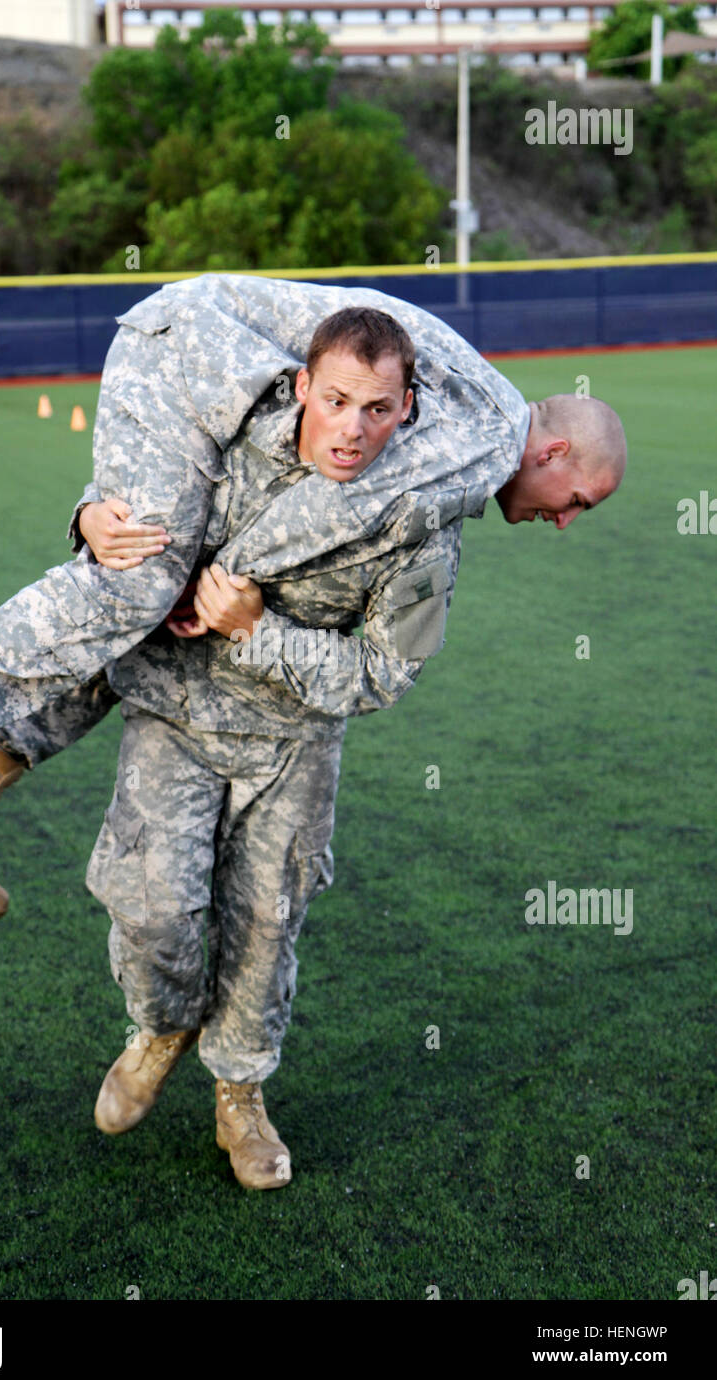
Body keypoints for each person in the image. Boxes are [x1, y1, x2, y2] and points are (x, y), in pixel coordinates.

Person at [0, 276, 626, 925]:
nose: (565, 520)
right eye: (578, 500)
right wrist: (211, 586)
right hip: (179, 365)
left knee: (155, 596)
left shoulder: (477, 407)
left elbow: (326, 481)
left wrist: (207, 579)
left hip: (196, 375)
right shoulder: (486, 441)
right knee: (145, 580)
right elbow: (344, 501)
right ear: (553, 452)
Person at [76, 321, 626, 1190]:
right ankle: (161, 1028)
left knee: (266, 924)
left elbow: (378, 677)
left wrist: (257, 631)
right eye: (576, 500)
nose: (564, 521)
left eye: (377, 409)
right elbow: (162, 478)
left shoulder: (428, 524)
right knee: (151, 908)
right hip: (176, 710)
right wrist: (86, 512)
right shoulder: (266, 429)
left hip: (294, 744)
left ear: (402, 408)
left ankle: (241, 1095)